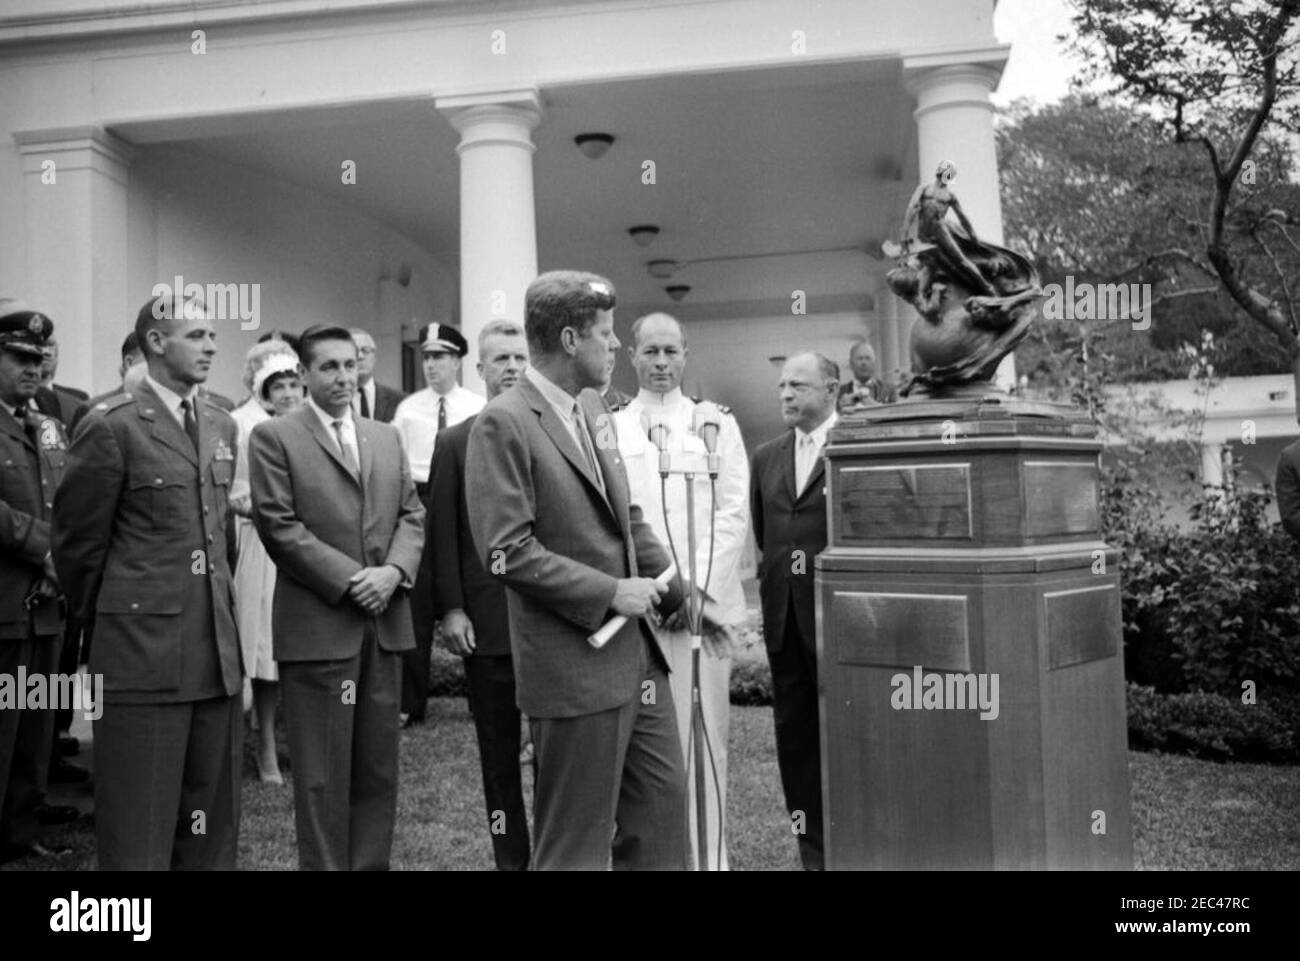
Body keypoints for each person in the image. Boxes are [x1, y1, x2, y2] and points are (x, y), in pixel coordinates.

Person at [466, 270, 690, 871]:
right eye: (606, 334)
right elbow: (506, 550)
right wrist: (611, 592)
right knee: (575, 848)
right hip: (573, 670)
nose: (617, 347)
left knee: (662, 827)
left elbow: (624, 513)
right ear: (569, 340)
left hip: (640, 661)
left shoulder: (591, 406)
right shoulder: (504, 422)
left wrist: (672, 585)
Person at [53, 293, 244, 870]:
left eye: (213, 335)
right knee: (138, 831)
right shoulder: (111, 426)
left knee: (209, 833)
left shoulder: (219, 422)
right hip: (142, 659)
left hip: (215, 655)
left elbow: (220, 539)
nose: (211, 345)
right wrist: (115, 624)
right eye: (196, 335)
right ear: (156, 343)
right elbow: (78, 546)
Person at [248, 325, 424, 870]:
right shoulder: (275, 437)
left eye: (350, 365)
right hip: (322, 628)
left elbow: (412, 515)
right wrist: (355, 580)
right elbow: (280, 526)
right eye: (329, 367)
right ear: (302, 375)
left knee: (376, 768)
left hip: (384, 625)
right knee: (323, 774)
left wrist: (393, 572)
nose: (344, 377)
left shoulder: (385, 436)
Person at [611, 312, 750, 870]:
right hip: (644, 611)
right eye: (651, 352)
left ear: (687, 354)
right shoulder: (613, 427)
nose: (662, 363)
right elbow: (621, 519)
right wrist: (665, 592)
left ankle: (710, 861)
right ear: (632, 355)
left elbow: (732, 514)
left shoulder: (714, 423)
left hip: (702, 616)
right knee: (649, 752)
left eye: (671, 351)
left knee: (706, 739)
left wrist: (694, 597)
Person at [429, 319, 531, 870]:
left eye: (519, 357)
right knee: (499, 758)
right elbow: (442, 531)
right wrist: (451, 607)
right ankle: (511, 860)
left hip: (549, 622)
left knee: (560, 754)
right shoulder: (455, 441)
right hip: (487, 626)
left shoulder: (547, 429)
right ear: (481, 369)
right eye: (501, 360)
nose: (512, 367)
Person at [750, 351, 839, 871]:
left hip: (839, 625)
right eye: (782, 385)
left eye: (799, 386)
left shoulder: (856, 448)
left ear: (832, 390)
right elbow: (768, 539)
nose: (785, 394)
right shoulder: (766, 457)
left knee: (847, 737)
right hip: (785, 623)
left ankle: (859, 842)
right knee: (797, 741)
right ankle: (814, 854)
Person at [0, 304, 75, 865]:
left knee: (35, 724)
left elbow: (66, 494)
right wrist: (44, 547)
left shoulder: (47, 423)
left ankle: (21, 831)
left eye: (39, 357)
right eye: (19, 357)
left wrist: (66, 553)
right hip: (5, 597)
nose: (33, 366)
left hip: (46, 603)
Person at [392, 323, 483, 726]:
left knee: (470, 593)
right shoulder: (408, 408)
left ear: (458, 360)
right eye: (427, 357)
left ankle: (481, 697)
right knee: (415, 601)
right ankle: (410, 703)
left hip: (464, 501)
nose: (432, 364)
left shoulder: (477, 406)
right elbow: (396, 465)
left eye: (441, 356)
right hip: (420, 500)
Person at [230, 346, 302, 784]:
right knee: (263, 649)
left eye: (295, 384)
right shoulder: (248, 428)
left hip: (307, 548)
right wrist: (272, 513)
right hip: (265, 547)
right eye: (280, 386)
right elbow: (236, 494)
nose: (290, 393)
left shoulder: (313, 428)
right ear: (266, 393)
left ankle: (297, 742)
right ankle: (264, 748)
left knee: (296, 646)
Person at [349, 328, 405, 422]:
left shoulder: (400, 400)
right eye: (354, 351)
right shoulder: (334, 400)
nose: (360, 356)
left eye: (365, 351)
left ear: (374, 357)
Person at [837, 341, 897, 412]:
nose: (864, 363)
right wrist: (839, 407)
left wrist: (876, 406)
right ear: (851, 364)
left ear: (874, 363)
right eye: (860, 358)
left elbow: (896, 416)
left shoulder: (889, 390)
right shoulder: (839, 392)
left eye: (868, 358)